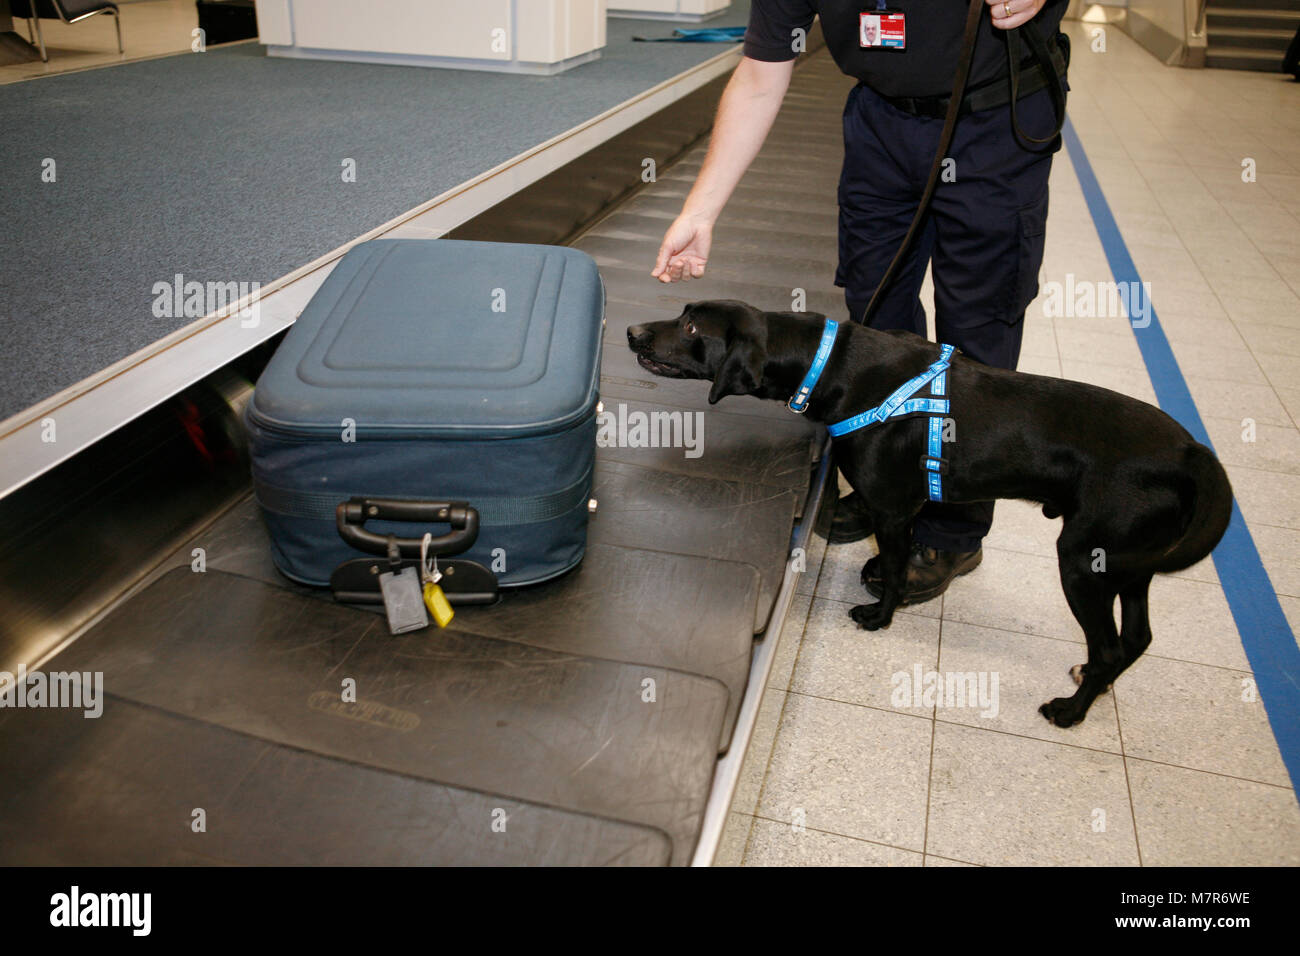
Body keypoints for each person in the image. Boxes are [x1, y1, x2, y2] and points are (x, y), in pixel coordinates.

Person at [652, 0, 1069, 606]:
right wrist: (699, 212)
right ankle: (889, 484)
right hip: (882, 126)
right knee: (875, 323)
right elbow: (761, 76)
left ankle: (954, 527)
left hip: (994, 122)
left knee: (977, 338)